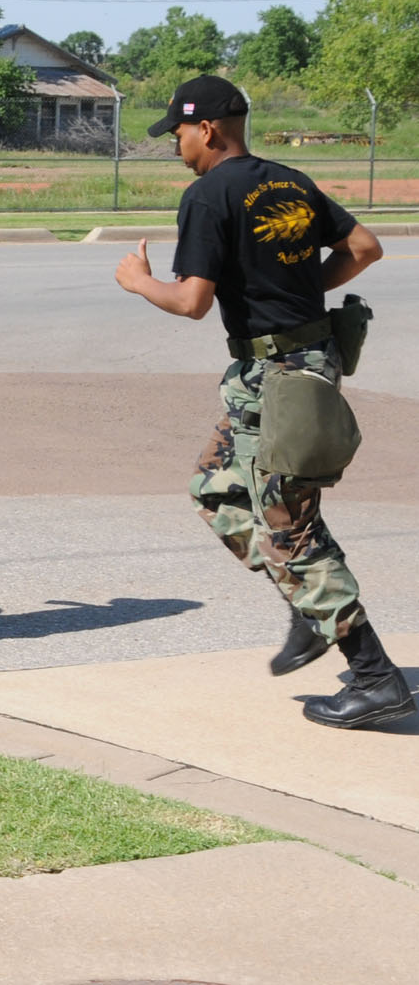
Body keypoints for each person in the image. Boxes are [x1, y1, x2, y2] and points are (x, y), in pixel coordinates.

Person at [116, 74, 411, 730]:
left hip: (281, 378)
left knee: (290, 525)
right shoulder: (291, 181)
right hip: (288, 369)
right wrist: (301, 290)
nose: (176, 146)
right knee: (213, 488)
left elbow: (191, 301)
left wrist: (138, 282)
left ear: (207, 129)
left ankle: (375, 678)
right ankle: (308, 603)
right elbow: (364, 249)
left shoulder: (207, 195)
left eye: (179, 133)